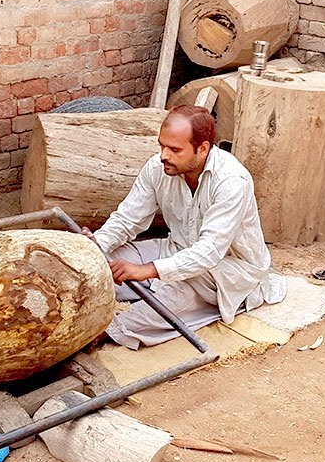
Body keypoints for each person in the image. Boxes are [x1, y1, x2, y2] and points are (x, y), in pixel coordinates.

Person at [84, 105, 286, 348]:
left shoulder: (232, 181)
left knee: (169, 298)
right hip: (176, 249)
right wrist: (96, 244)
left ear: (202, 149)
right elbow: (128, 218)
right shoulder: (157, 168)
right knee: (101, 261)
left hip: (226, 271)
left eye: (174, 149)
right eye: (162, 146)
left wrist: (147, 270)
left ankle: (108, 331)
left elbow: (209, 253)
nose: (163, 156)